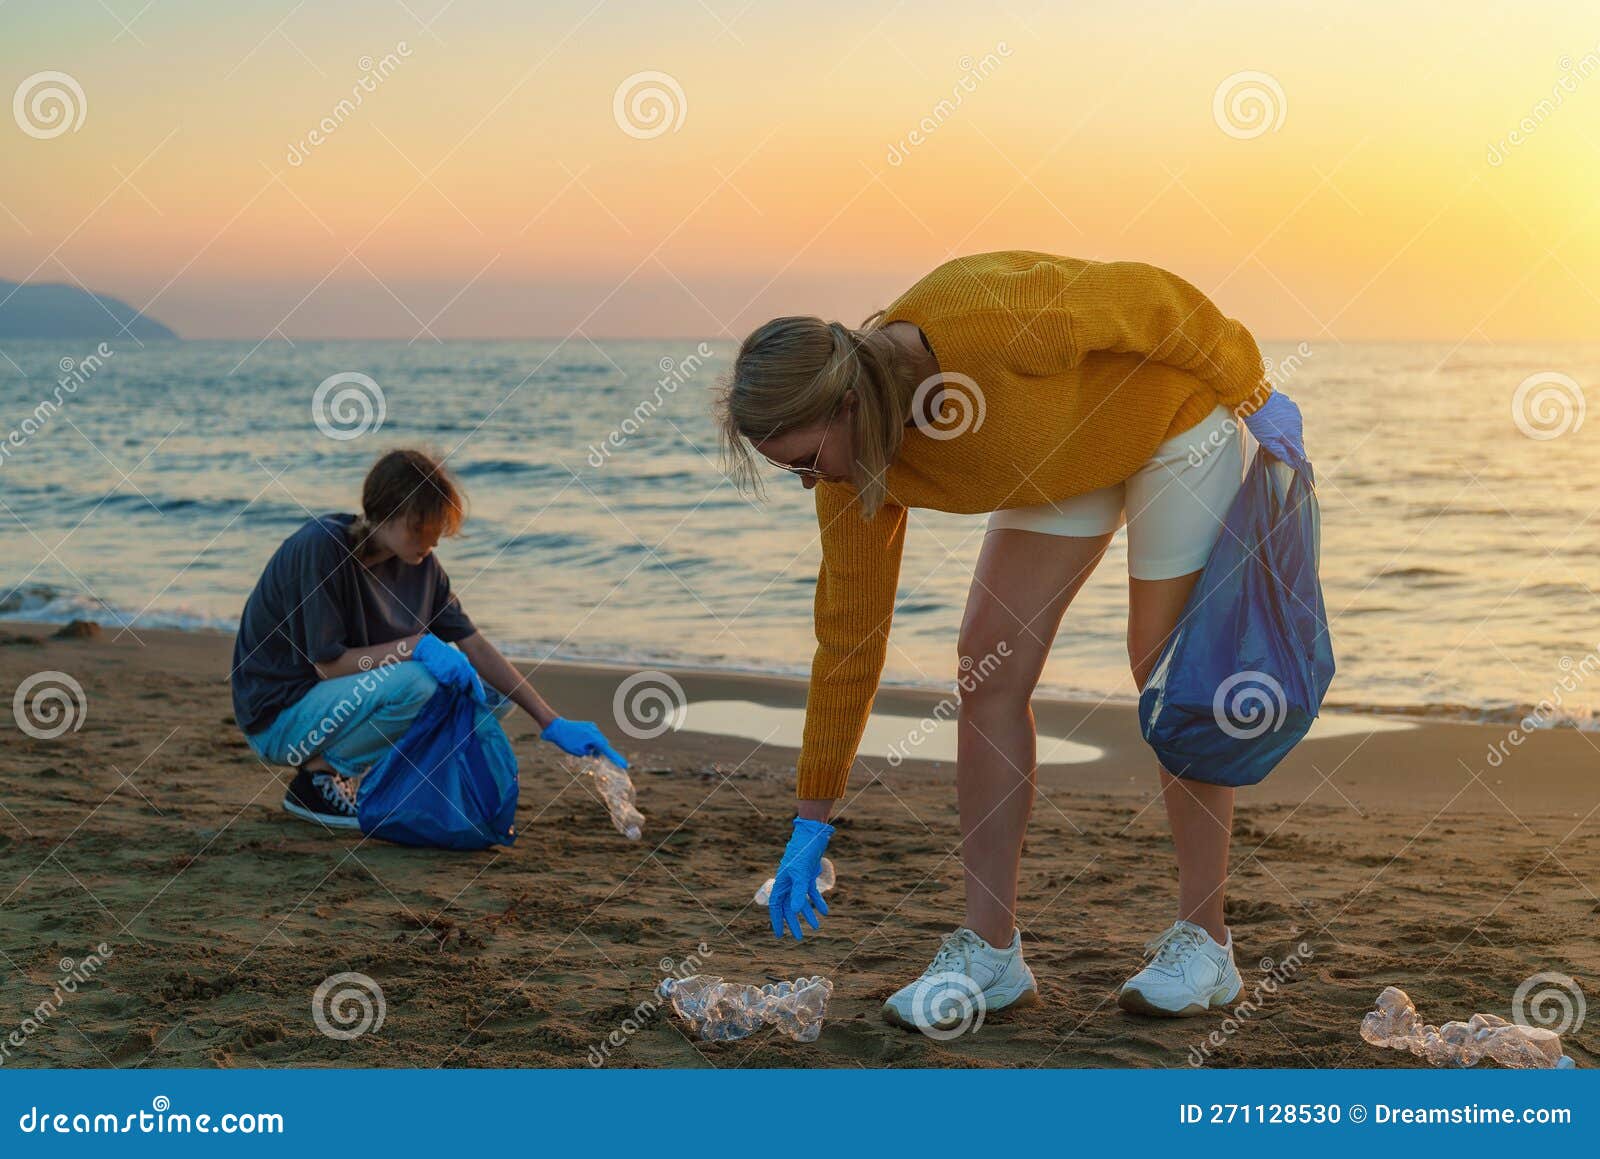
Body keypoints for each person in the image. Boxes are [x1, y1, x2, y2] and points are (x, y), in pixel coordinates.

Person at [715, 251, 1307, 1029]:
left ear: (850, 401)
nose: (807, 481)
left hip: (1172, 421)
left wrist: (1252, 388)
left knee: (1167, 671)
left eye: (804, 459)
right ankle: (992, 952)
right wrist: (811, 814)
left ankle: (1208, 945)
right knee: (986, 670)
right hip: (1060, 462)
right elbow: (849, 643)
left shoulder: (986, 323)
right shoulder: (853, 478)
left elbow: (1153, 299)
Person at [230, 447, 627, 829]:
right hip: (279, 717)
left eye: (438, 526)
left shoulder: (422, 567)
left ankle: (369, 770)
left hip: (336, 706)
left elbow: (475, 645)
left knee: (488, 691)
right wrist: (414, 647)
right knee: (418, 681)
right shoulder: (322, 547)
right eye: (423, 525)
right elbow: (328, 665)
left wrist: (551, 721)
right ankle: (318, 778)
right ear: (386, 513)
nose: (434, 537)